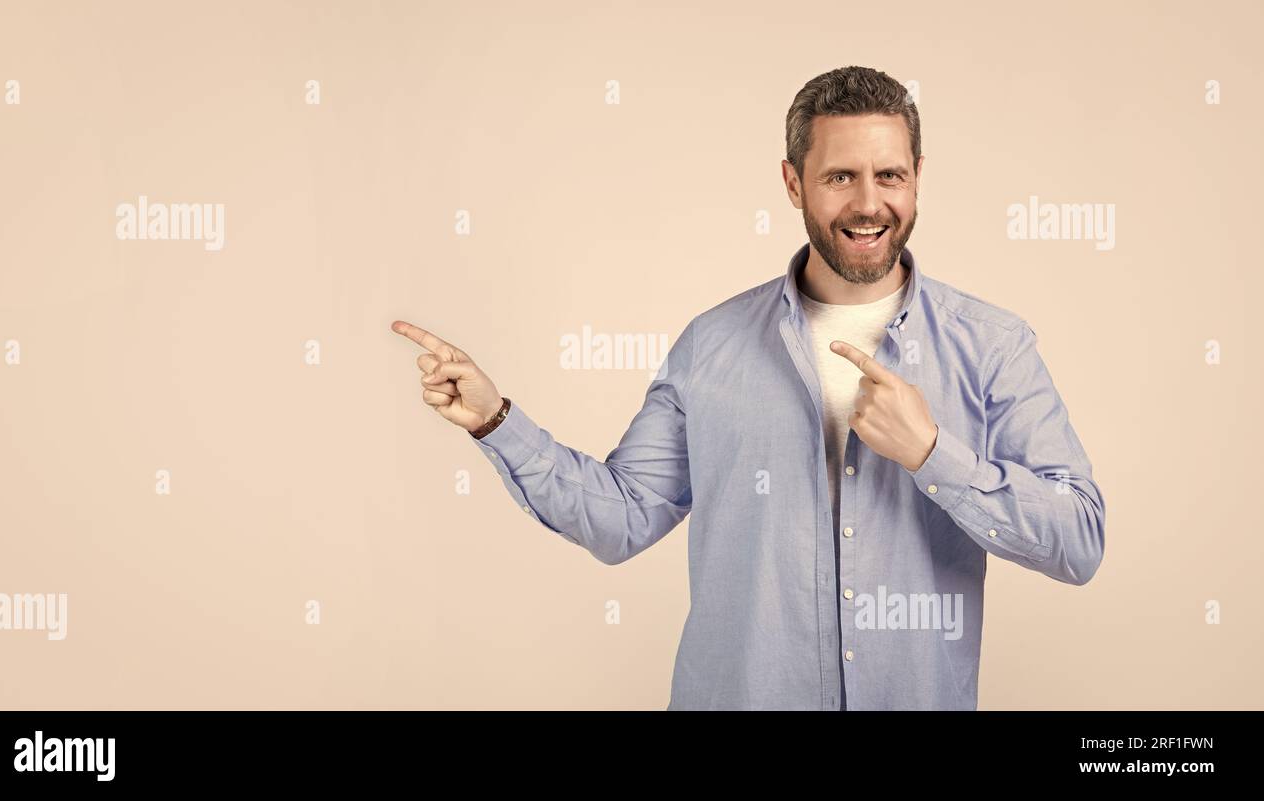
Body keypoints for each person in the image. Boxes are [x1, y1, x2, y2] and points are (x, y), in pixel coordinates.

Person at [392, 65, 1105, 710]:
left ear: (917, 176)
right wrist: (496, 420)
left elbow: (1078, 538)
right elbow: (623, 518)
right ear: (793, 182)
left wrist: (933, 454)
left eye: (889, 176)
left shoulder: (993, 345)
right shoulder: (713, 345)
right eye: (839, 177)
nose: (868, 203)